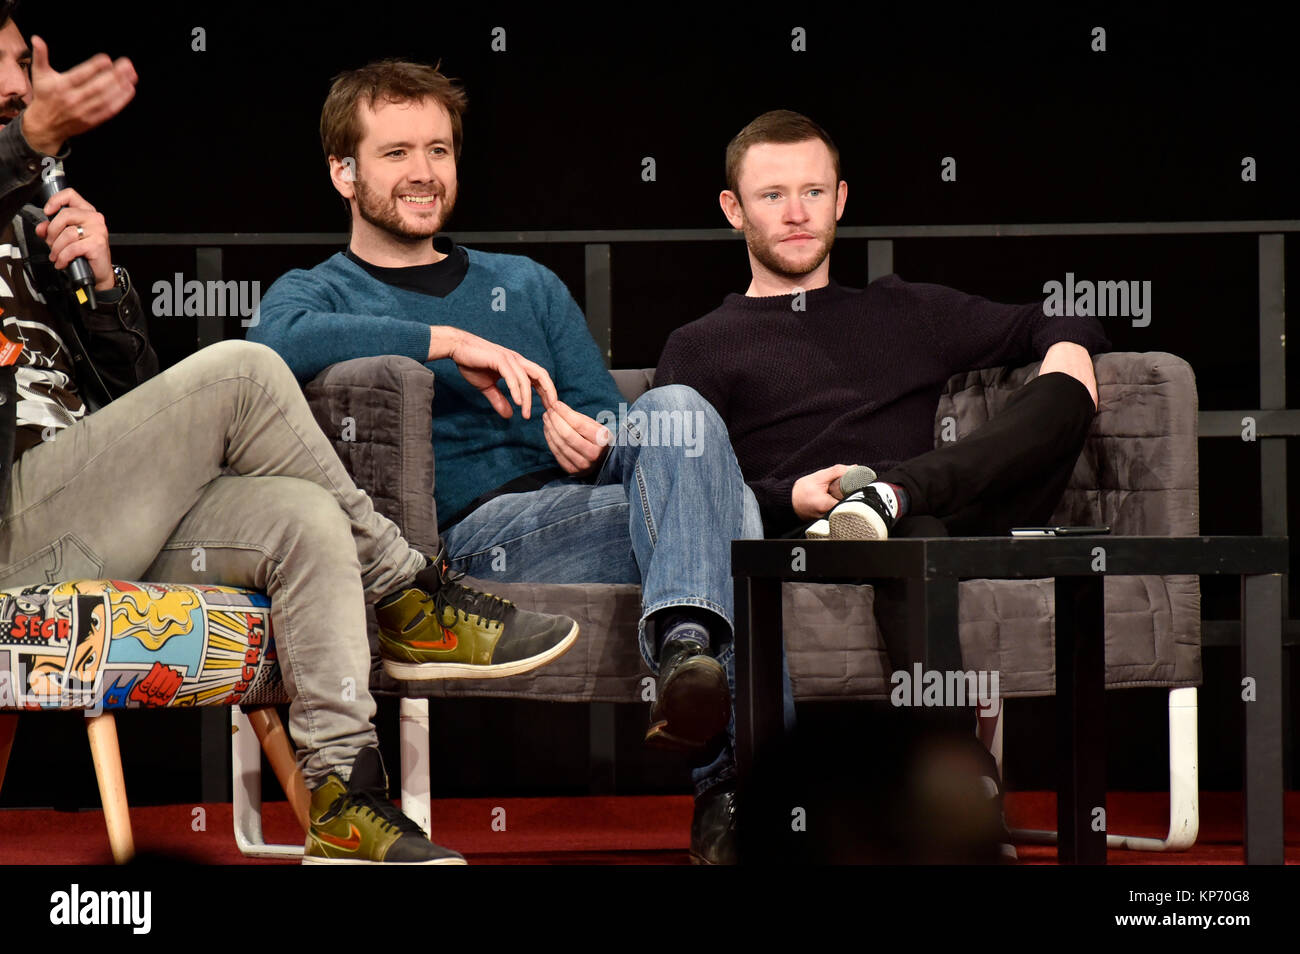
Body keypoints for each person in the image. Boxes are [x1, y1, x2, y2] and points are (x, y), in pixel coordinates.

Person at [0, 2, 579, 865]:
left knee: (305, 517)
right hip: (16, 524)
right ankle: (408, 592)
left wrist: (107, 290)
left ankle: (345, 798)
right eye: (0, 68)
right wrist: (29, 144)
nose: (16, 83)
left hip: (91, 508)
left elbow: (134, 401)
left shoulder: (29, 221)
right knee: (244, 368)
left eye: (20, 62)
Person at [251, 59, 761, 863]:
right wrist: (444, 340)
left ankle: (690, 651)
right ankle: (737, 790)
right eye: (396, 154)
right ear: (342, 172)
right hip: (476, 544)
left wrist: (588, 435)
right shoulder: (323, 292)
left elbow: (609, 417)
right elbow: (268, 349)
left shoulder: (523, 283)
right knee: (741, 529)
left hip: (590, 507)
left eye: (439, 151)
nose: (424, 173)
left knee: (682, 413)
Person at [656, 109, 1110, 860]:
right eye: (772, 196)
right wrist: (790, 495)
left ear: (841, 199)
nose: (796, 213)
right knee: (917, 540)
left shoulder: (905, 310)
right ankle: (961, 788)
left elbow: (1056, 313)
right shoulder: (700, 345)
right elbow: (688, 489)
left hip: (951, 504)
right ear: (734, 211)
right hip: (816, 536)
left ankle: (895, 493)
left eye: (812, 191)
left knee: (1063, 393)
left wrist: (1069, 352)